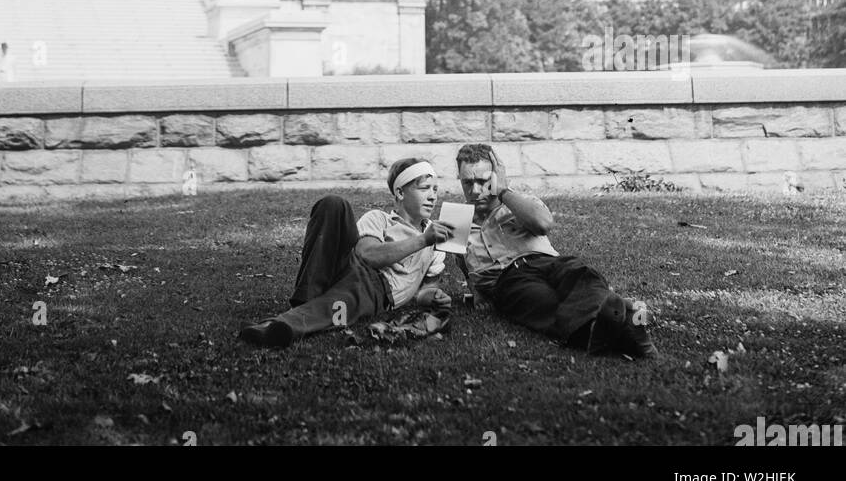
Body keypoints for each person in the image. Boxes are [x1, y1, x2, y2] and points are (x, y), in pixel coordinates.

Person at [455, 142, 657, 359]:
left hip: (549, 262)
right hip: (510, 281)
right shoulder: (457, 220)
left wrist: (503, 191)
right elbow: (462, 261)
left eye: (483, 181)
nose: (474, 190)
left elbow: (542, 224)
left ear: (496, 177)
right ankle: (626, 320)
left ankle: (612, 320)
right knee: (544, 304)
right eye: (467, 182)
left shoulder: (519, 202)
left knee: (580, 276)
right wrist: (476, 290)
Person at [239, 158, 453, 348]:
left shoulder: (436, 238)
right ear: (400, 193)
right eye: (425, 188)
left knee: (342, 302)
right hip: (352, 268)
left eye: (435, 189)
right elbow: (369, 255)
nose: (433, 196)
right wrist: (423, 240)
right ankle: (305, 300)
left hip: (377, 291)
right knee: (333, 204)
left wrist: (433, 295)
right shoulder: (379, 219)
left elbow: (425, 291)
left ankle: (279, 326)